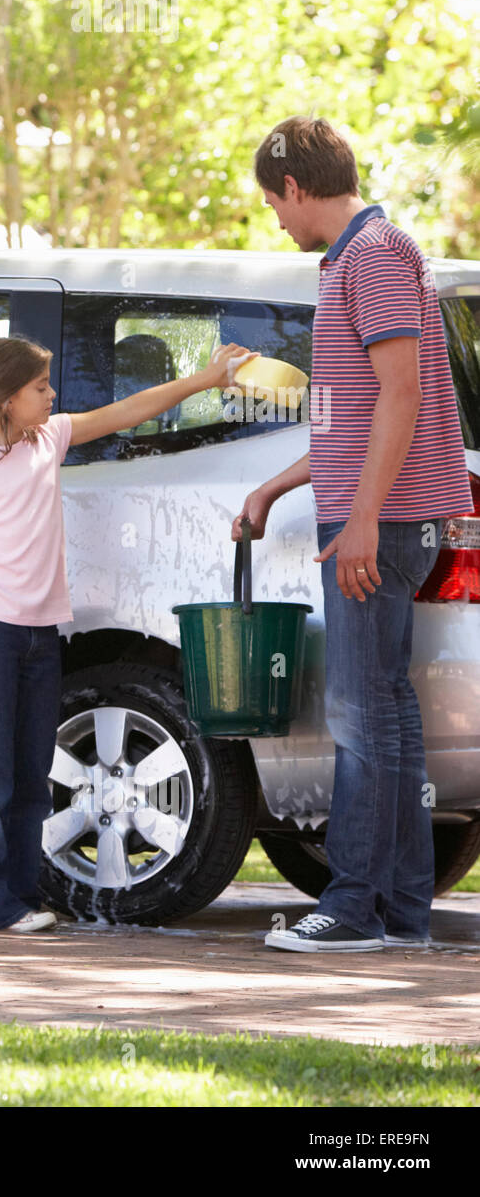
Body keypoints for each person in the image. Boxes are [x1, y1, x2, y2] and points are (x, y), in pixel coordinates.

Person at [0, 334, 256, 933]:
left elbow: (127, 411)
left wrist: (203, 380)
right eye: (40, 387)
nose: (52, 394)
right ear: (7, 399)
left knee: (34, 774)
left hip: (41, 636)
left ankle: (15, 897)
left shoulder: (50, 438)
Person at [242, 117, 472, 954]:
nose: (274, 217)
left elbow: (402, 394)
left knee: (361, 716)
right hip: (378, 510)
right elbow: (353, 416)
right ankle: (401, 913)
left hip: (382, 519)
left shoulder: (372, 256)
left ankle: (350, 910)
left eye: (273, 201)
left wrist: (367, 516)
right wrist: (277, 483)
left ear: (296, 187)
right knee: (386, 713)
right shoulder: (362, 254)